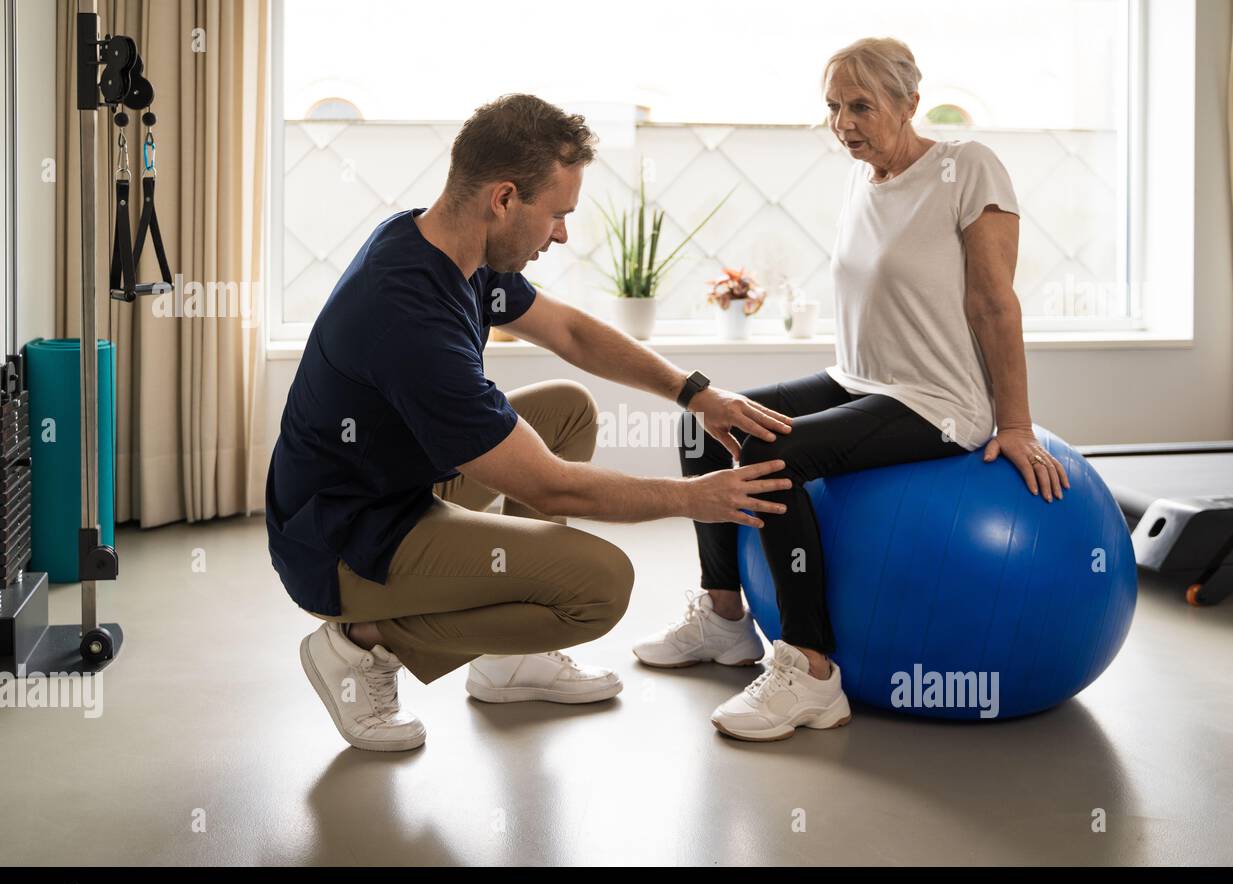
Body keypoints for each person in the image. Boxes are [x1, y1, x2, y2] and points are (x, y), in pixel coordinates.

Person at [266, 94, 796, 752]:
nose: (564, 235)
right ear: (504, 198)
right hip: (342, 539)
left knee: (565, 407)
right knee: (599, 588)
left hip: (391, 482)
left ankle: (509, 661)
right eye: (558, 215)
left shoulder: (450, 248)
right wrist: (694, 499)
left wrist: (693, 393)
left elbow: (571, 332)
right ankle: (360, 647)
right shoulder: (408, 315)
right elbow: (553, 489)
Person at [635, 37, 1071, 743]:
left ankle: (811, 672)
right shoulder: (860, 182)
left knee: (776, 459)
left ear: (910, 103)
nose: (844, 123)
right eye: (834, 107)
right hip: (858, 380)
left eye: (862, 106)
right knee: (700, 424)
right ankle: (724, 619)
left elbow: (995, 303)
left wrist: (1014, 424)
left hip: (936, 401)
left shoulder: (967, 169)